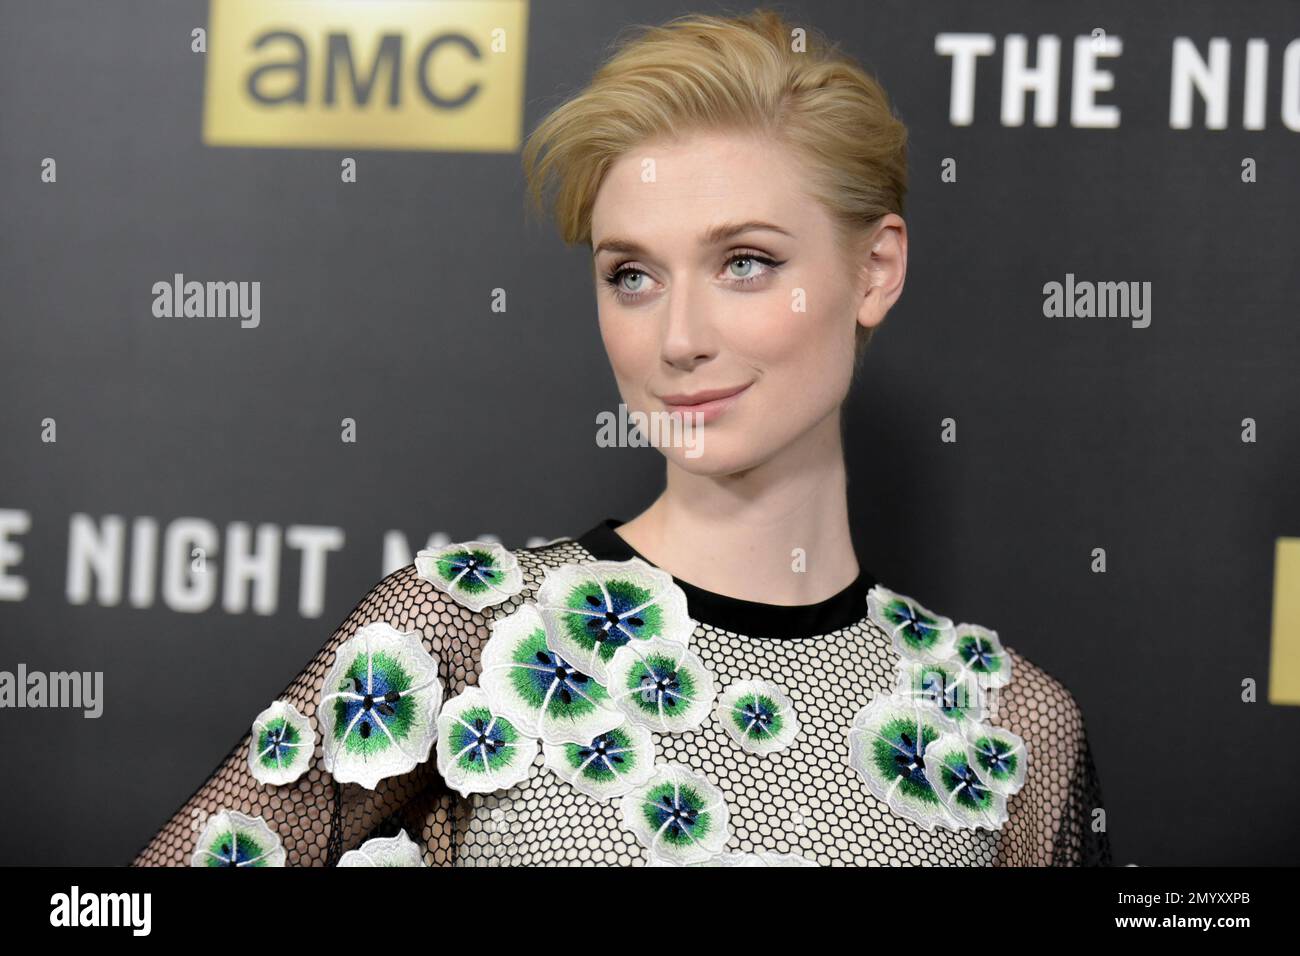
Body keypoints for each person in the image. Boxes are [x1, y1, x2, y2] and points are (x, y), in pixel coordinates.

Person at [132, 9, 1110, 867]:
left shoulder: (1005, 725)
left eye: (745, 262)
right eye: (631, 275)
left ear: (874, 270)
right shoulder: (465, 636)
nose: (678, 339)